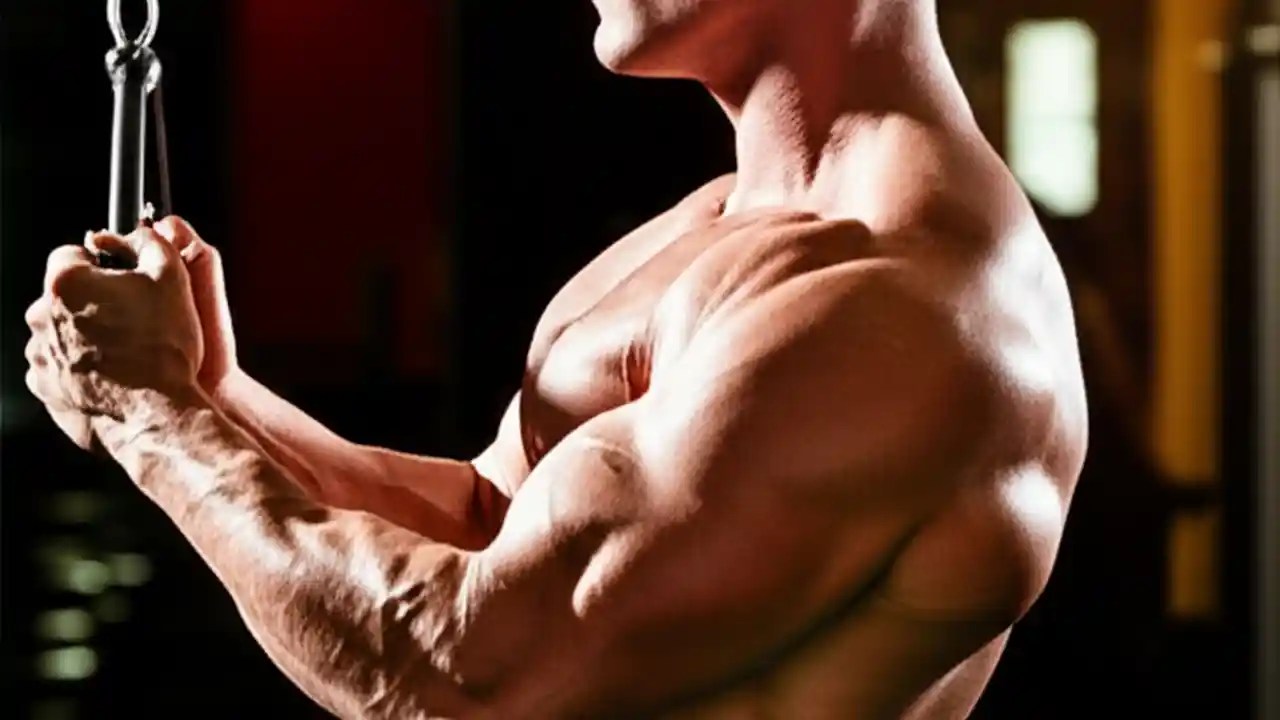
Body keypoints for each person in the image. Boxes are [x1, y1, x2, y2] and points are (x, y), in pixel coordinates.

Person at [23, 0, 1088, 716]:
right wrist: (208, 391)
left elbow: (457, 679)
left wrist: (157, 420)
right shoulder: (723, 226)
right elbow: (492, 527)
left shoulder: (890, 311)